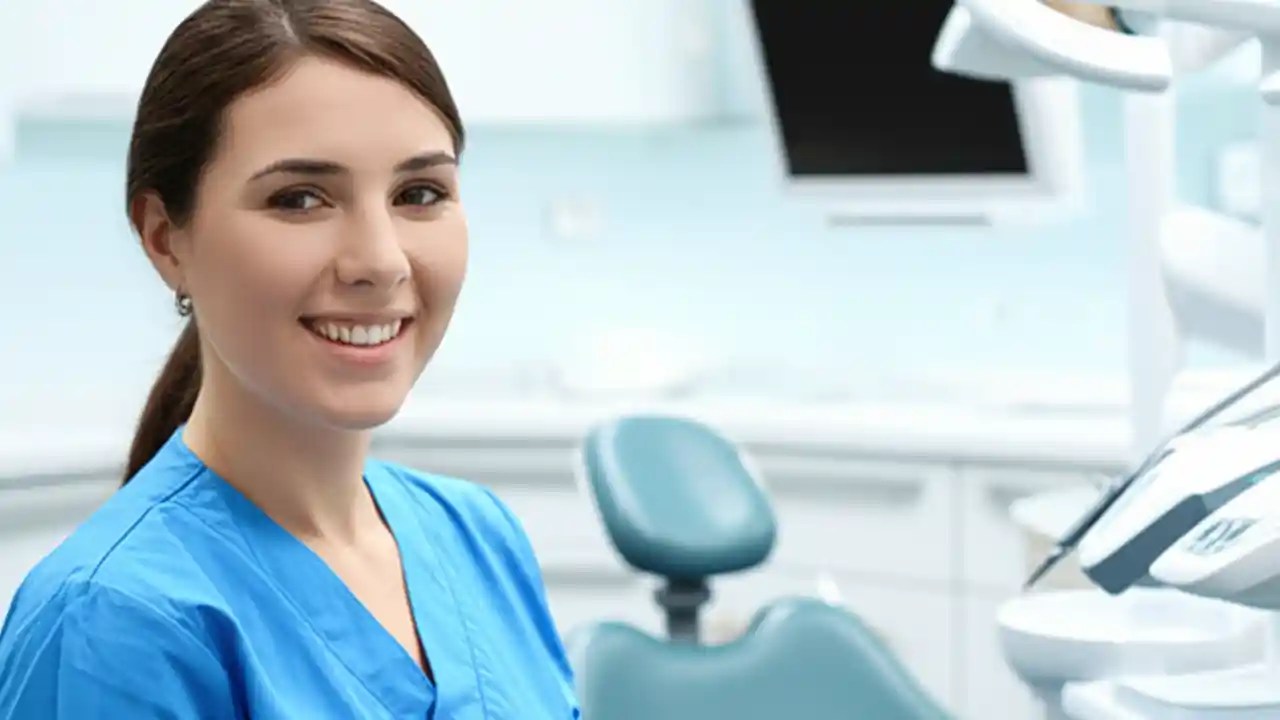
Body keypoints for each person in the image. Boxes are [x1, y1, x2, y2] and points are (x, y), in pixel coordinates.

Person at [0, 1, 580, 717]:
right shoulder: (110, 625)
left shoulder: (476, 534)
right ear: (163, 238)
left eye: (419, 193)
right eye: (301, 199)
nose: (381, 260)